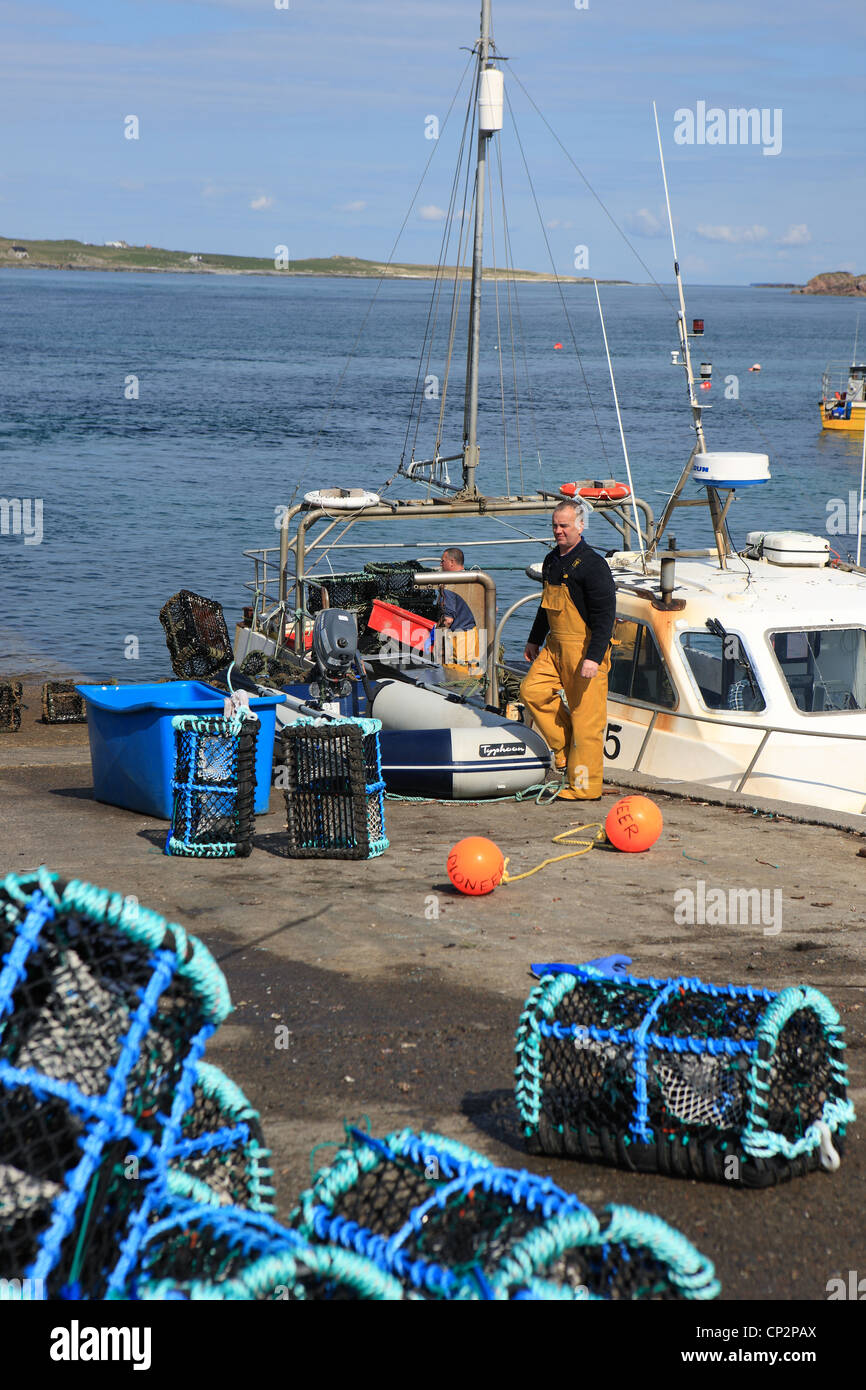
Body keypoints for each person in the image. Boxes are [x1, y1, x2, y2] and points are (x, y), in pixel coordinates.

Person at [520, 499, 616, 800]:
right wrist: (534, 639)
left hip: (586, 651)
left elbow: (605, 617)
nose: (559, 531)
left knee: (587, 720)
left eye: (564, 526)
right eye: (555, 525)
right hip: (554, 647)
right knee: (531, 691)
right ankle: (563, 751)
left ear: (580, 525)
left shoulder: (593, 565)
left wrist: (594, 658)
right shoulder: (551, 560)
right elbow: (544, 605)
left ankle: (585, 788)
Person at [438, 548, 477, 632]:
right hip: (478, 636)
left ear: (452, 562)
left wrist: (436, 635)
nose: (441, 564)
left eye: (443, 561)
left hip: (459, 637)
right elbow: (494, 609)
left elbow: (448, 620)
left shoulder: (449, 585)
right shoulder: (478, 582)